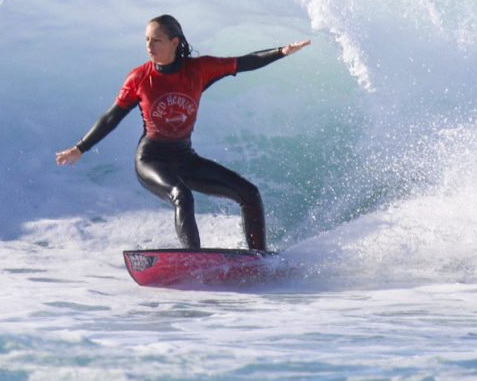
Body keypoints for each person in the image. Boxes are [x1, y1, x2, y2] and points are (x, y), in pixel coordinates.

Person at [56, 14, 311, 252]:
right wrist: (80, 148)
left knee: (249, 193)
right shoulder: (139, 78)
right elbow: (112, 117)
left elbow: (243, 62)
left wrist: (282, 52)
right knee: (182, 195)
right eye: (146, 40)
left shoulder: (198, 70)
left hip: (184, 157)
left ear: (174, 42)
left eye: (156, 40)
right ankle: (193, 260)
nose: (149, 46)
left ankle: (258, 259)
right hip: (151, 159)